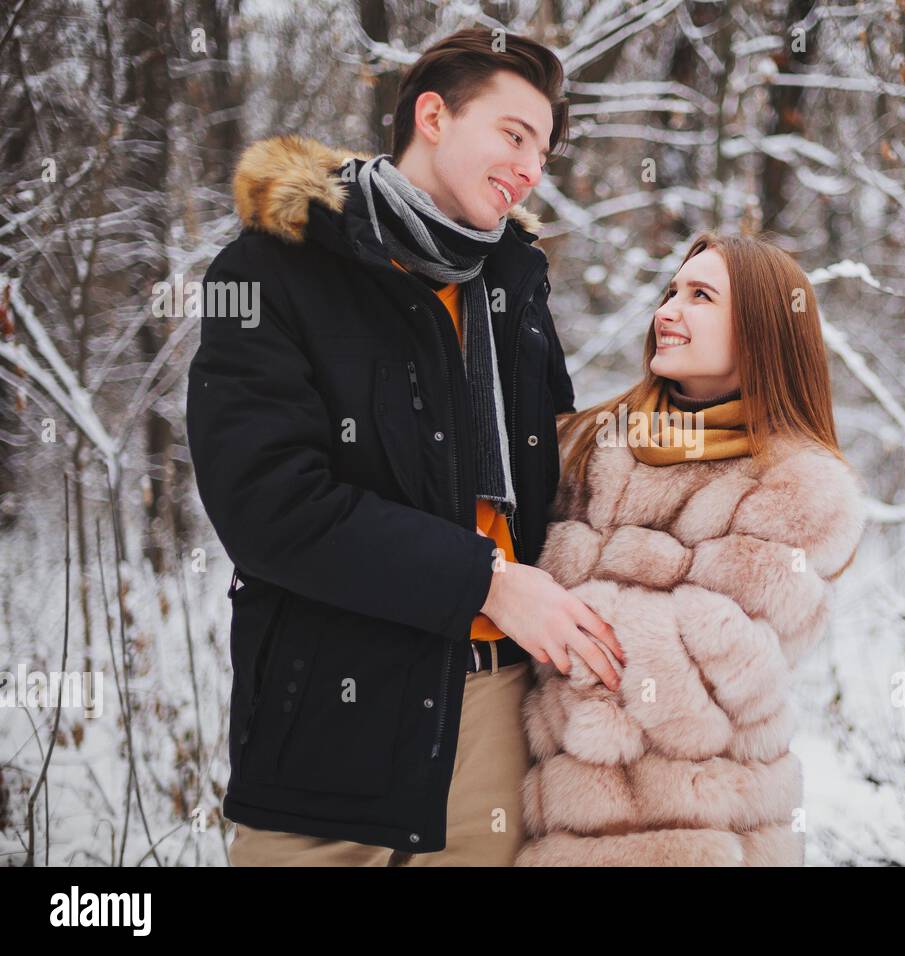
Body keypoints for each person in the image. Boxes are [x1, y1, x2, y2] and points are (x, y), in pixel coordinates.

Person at [186, 27, 623, 867]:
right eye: (514, 134)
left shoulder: (513, 287)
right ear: (432, 115)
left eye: (544, 150)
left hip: (499, 713)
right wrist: (487, 581)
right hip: (328, 722)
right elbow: (271, 508)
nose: (532, 169)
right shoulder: (272, 269)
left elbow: (555, 477)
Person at [513, 232, 868, 866]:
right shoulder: (596, 445)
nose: (667, 313)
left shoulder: (801, 486)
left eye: (700, 296)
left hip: (703, 835)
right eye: (671, 292)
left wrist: (556, 611)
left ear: (761, 329)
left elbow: (703, 671)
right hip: (559, 836)